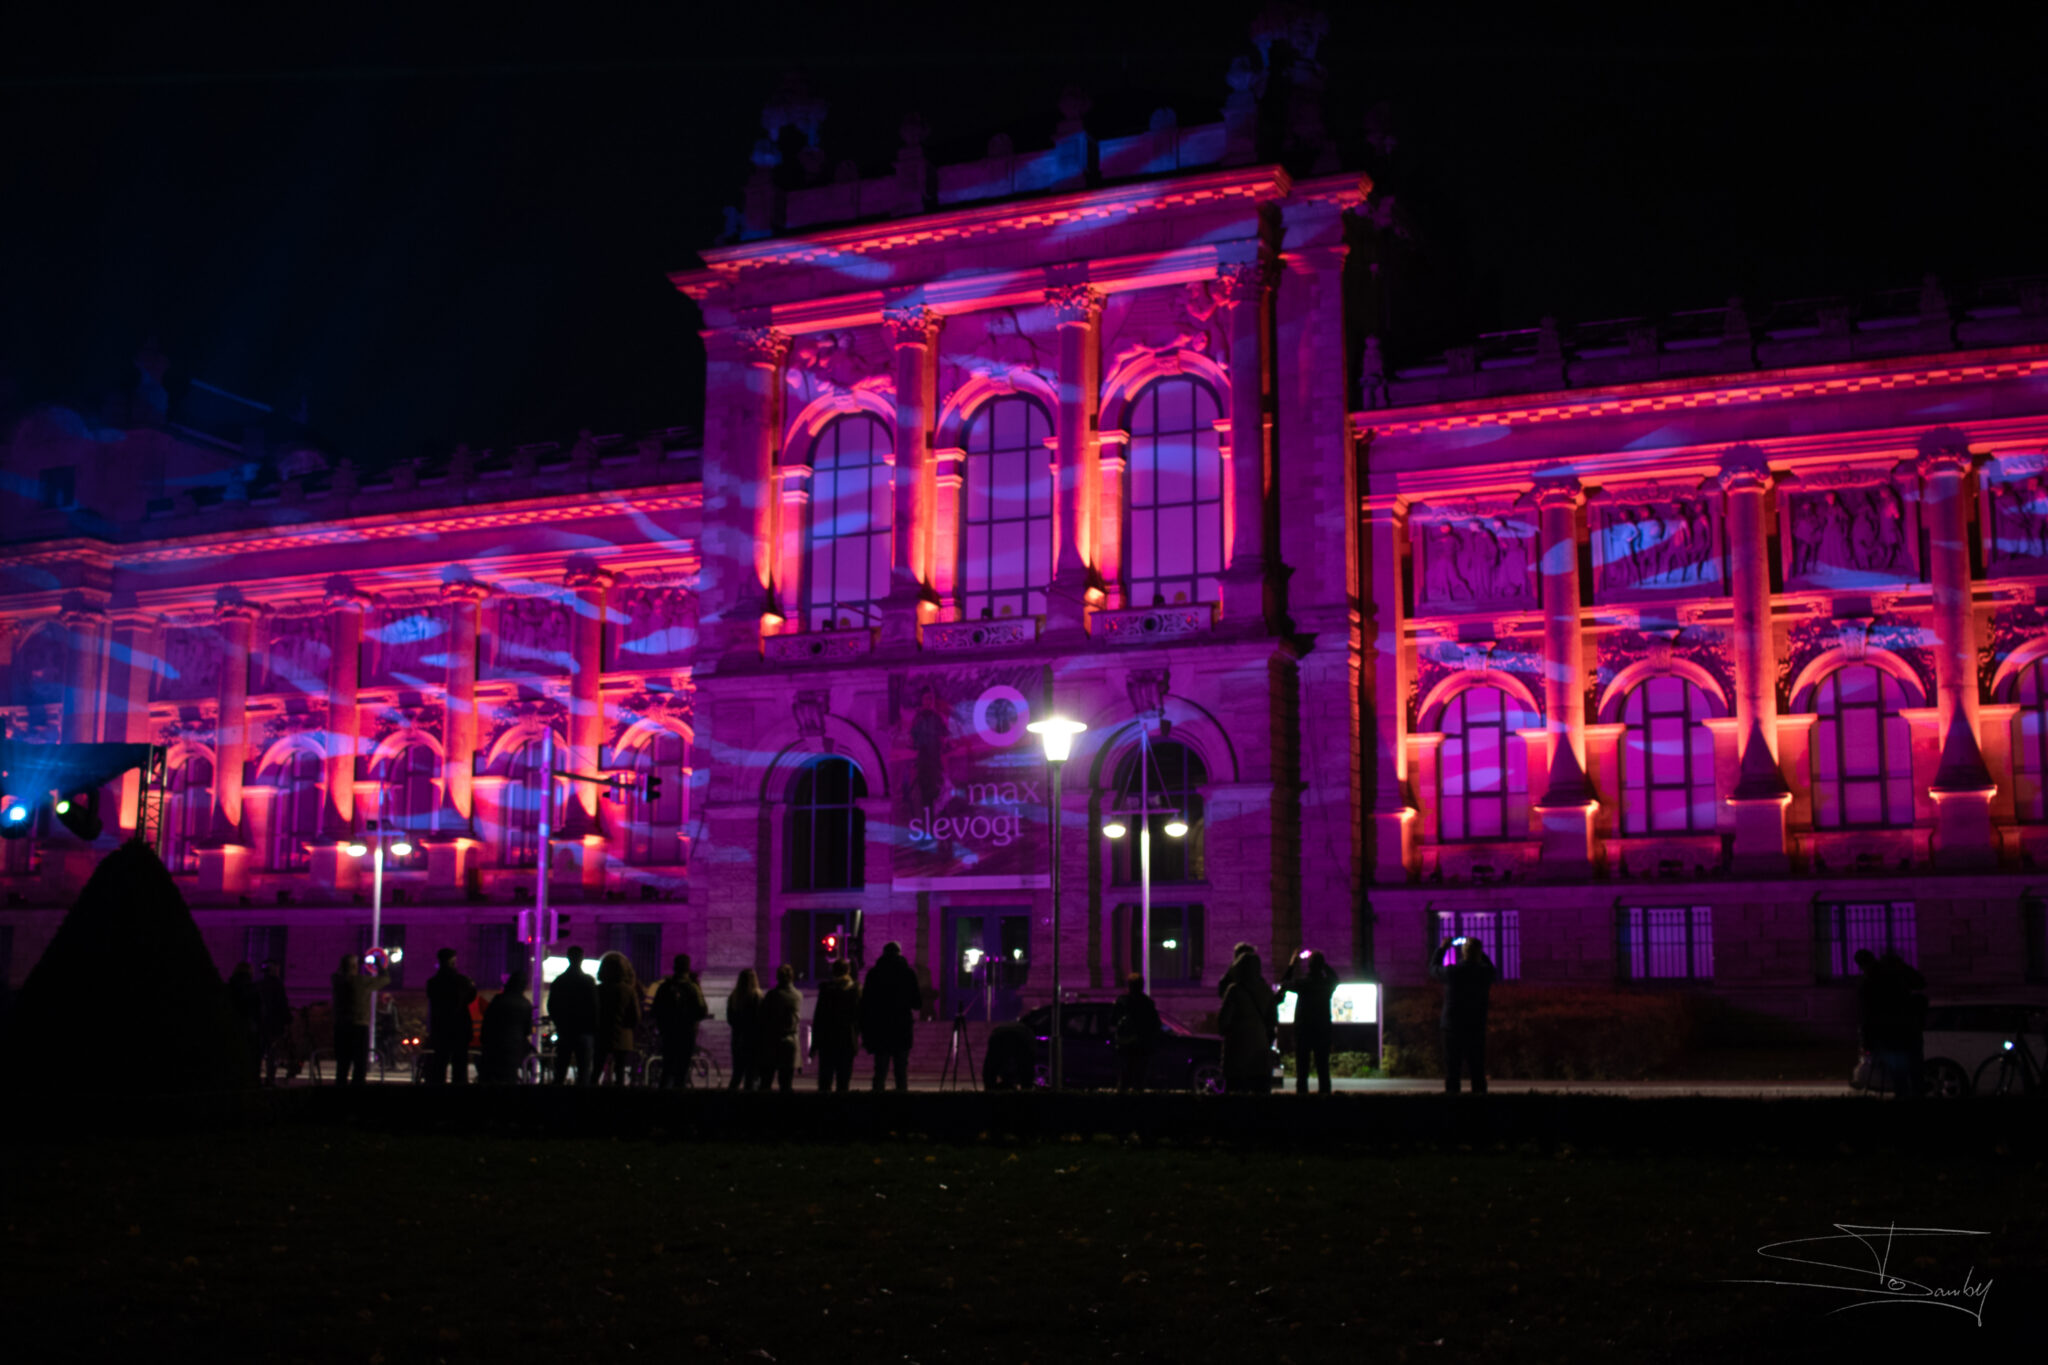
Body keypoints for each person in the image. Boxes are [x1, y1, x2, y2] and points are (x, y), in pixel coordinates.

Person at [1856, 948, 1928, 1099]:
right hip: (1909, 1031)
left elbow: (1867, 1015)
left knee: (1900, 1078)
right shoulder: (1894, 971)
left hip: (1890, 1036)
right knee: (1915, 1075)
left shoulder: (1868, 982)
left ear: (1862, 965)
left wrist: (1867, 1041)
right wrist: (1901, 966)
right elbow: (1920, 983)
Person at [1431, 934, 1498, 1094]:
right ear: (1478, 953)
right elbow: (1490, 967)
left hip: (1452, 1027)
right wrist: (1479, 952)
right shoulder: (1485, 973)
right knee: (1477, 1071)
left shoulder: (1453, 972)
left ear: (1463, 952)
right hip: (1475, 1027)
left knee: (1453, 1071)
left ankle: (1454, 1110)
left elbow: (1433, 968)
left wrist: (1442, 948)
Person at [859, 941, 924, 1091]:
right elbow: (917, 1003)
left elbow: (866, 1003)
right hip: (901, 1027)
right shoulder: (908, 973)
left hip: (880, 1027)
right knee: (901, 1072)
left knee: (880, 1071)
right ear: (899, 953)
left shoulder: (874, 973)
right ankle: (901, 1108)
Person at [1276, 949, 1339, 1096]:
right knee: (1323, 1069)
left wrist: (1292, 964)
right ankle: (1325, 1099)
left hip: (1303, 1030)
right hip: (1322, 1031)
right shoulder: (1326, 985)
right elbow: (1335, 979)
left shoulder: (1302, 984)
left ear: (1309, 966)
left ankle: (1302, 1101)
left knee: (1302, 1070)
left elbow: (1284, 983)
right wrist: (1324, 965)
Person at [1217, 951, 1278, 1093]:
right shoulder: (1266, 991)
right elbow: (1272, 1022)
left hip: (1237, 1054)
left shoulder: (1234, 991)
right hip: (1260, 1056)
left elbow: (1223, 1022)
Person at [330, 950, 389, 1087]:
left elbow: (338, 973)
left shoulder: (336, 980)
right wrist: (379, 965)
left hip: (340, 1026)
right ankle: (357, 1093)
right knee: (359, 1062)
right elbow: (385, 979)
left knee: (342, 1063)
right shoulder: (361, 982)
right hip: (359, 1025)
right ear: (355, 967)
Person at [651, 954, 710, 1089]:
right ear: (688, 968)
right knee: (682, 1071)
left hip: (668, 1034)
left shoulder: (664, 987)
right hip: (686, 1034)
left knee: (667, 1069)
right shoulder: (692, 988)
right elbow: (702, 1010)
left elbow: (656, 1010)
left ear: (674, 967)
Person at [424, 947, 478, 1086]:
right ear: (453, 961)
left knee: (439, 1064)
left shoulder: (433, 982)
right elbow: (471, 996)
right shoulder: (462, 981)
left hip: (440, 1029)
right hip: (459, 1028)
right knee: (459, 1066)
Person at [546, 946, 599, 1086]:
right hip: (584, 1030)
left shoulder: (560, 981)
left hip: (565, 1030)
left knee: (561, 1068)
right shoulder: (587, 981)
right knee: (584, 1071)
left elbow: (552, 1006)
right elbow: (594, 1007)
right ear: (581, 959)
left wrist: (559, 1023)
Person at [809, 958, 861, 1092]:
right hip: (847, 1039)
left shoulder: (827, 990)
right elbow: (859, 1017)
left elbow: (819, 1018)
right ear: (848, 971)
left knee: (825, 1082)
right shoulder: (855, 990)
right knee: (843, 1082)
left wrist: (814, 1044)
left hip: (828, 1040)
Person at [595, 951, 642, 1086]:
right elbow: (635, 1016)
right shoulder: (628, 990)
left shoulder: (598, 990)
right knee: (620, 1071)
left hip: (601, 1035)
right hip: (623, 1036)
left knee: (596, 1069)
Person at [1110, 972, 1164, 1092]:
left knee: (1124, 1081)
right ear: (1142, 986)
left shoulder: (1121, 1002)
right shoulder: (1147, 1003)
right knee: (1139, 1081)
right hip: (1142, 1047)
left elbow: (1112, 1021)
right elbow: (1155, 1025)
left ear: (1129, 986)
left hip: (1124, 1047)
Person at [758, 964, 803, 1093]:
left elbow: (763, 1018)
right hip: (789, 1042)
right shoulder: (797, 995)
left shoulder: (772, 995)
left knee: (766, 1081)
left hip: (771, 1041)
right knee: (786, 1083)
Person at [479, 976, 532, 1084]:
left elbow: (488, 1021)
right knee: (509, 1077)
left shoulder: (498, 1000)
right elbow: (527, 1029)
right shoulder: (525, 1003)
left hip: (494, 1044)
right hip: (514, 1046)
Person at [255, 960, 292, 1085]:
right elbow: (282, 1004)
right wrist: (288, 1020)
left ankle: (255, 1076)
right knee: (272, 1052)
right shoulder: (277, 985)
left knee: (259, 1051)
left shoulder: (259, 985)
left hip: (261, 1023)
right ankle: (270, 1078)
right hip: (274, 1024)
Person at [726, 969, 763, 1091]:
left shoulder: (734, 996)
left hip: (737, 1039)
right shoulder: (756, 996)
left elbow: (730, 1019)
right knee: (751, 1075)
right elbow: (759, 1020)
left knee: (737, 1073)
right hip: (753, 1040)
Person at [226, 961, 262, 1083]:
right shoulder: (252, 988)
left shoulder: (229, 986)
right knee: (250, 1056)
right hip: (249, 1026)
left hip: (231, 1026)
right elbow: (259, 1010)